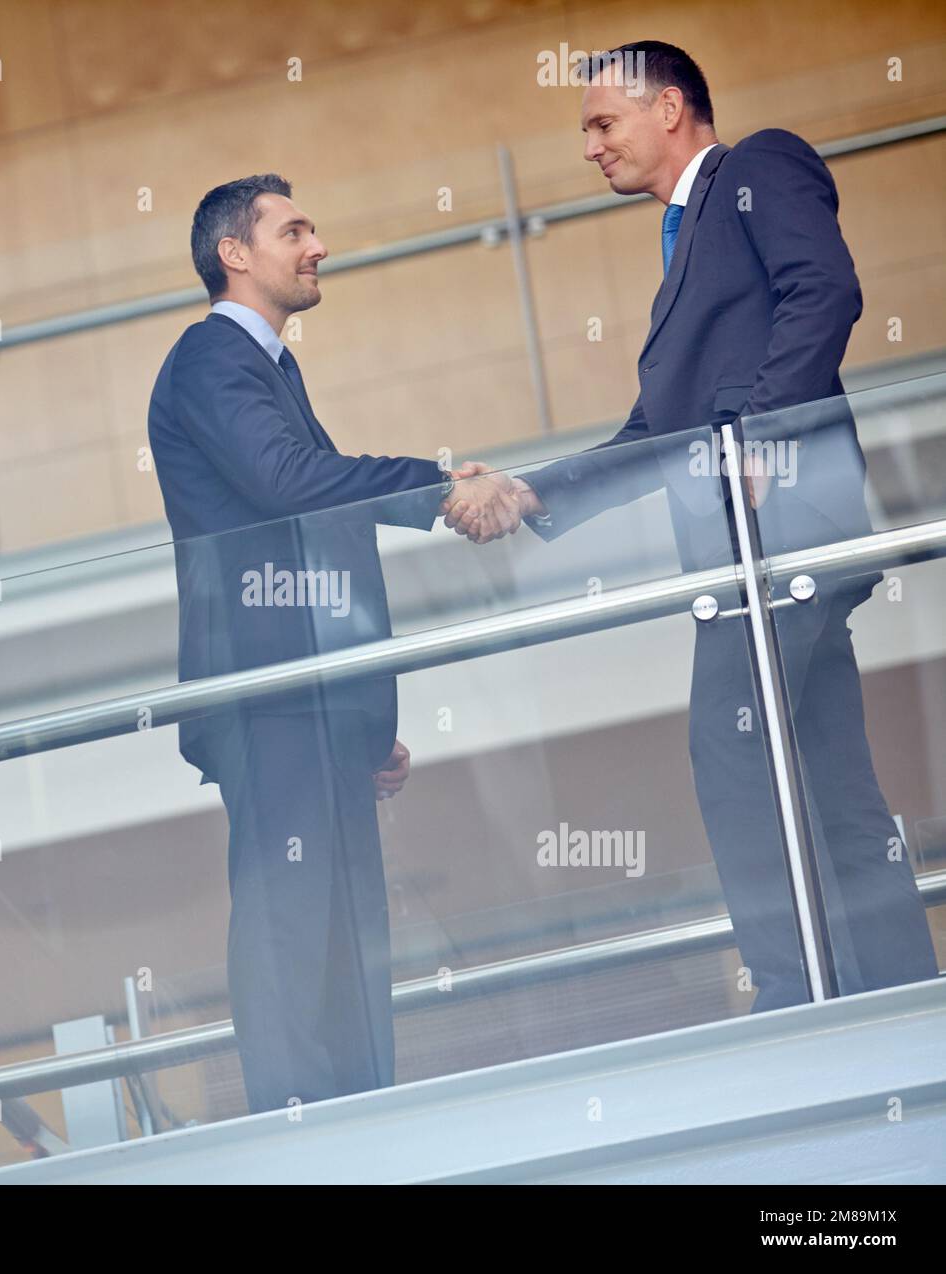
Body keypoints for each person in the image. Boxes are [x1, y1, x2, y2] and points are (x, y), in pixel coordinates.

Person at [467, 41, 937, 1010]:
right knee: (833, 780)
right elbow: (660, 431)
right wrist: (536, 491)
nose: (590, 147)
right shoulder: (682, 245)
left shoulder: (756, 167)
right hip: (747, 552)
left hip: (778, 540)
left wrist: (766, 423)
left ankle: (784, 989)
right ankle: (896, 994)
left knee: (727, 750)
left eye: (602, 123)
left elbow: (827, 290)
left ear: (670, 107)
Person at [147, 174, 518, 1112]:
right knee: (292, 924)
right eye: (294, 230)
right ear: (234, 253)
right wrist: (438, 487)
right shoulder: (210, 359)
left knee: (347, 931)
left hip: (311, 705)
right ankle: (301, 1141)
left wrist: (356, 720)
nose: (318, 245)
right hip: (271, 702)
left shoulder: (268, 368)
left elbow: (306, 517)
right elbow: (289, 483)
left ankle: (361, 1123)